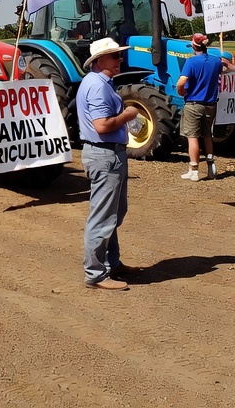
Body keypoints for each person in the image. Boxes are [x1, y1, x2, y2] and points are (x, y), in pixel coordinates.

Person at [77, 37, 139, 291]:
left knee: (112, 213)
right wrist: (128, 115)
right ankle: (95, 274)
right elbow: (102, 126)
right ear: (100, 59)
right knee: (103, 216)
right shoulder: (98, 86)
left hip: (106, 154)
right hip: (105, 155)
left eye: (119, 55)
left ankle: (111, 263)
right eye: (115, 56)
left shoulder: (97, 83)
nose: (120, 60)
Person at [176, 33, 228, 181]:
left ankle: (194, 170)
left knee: (192, 137)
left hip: (193, 104)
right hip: (210, 105)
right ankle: (211, 167)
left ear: (193, 45)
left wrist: (181, 91)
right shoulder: (215, 61)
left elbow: (181, 82)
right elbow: (227, 70)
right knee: (207, 135)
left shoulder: (191, 62)